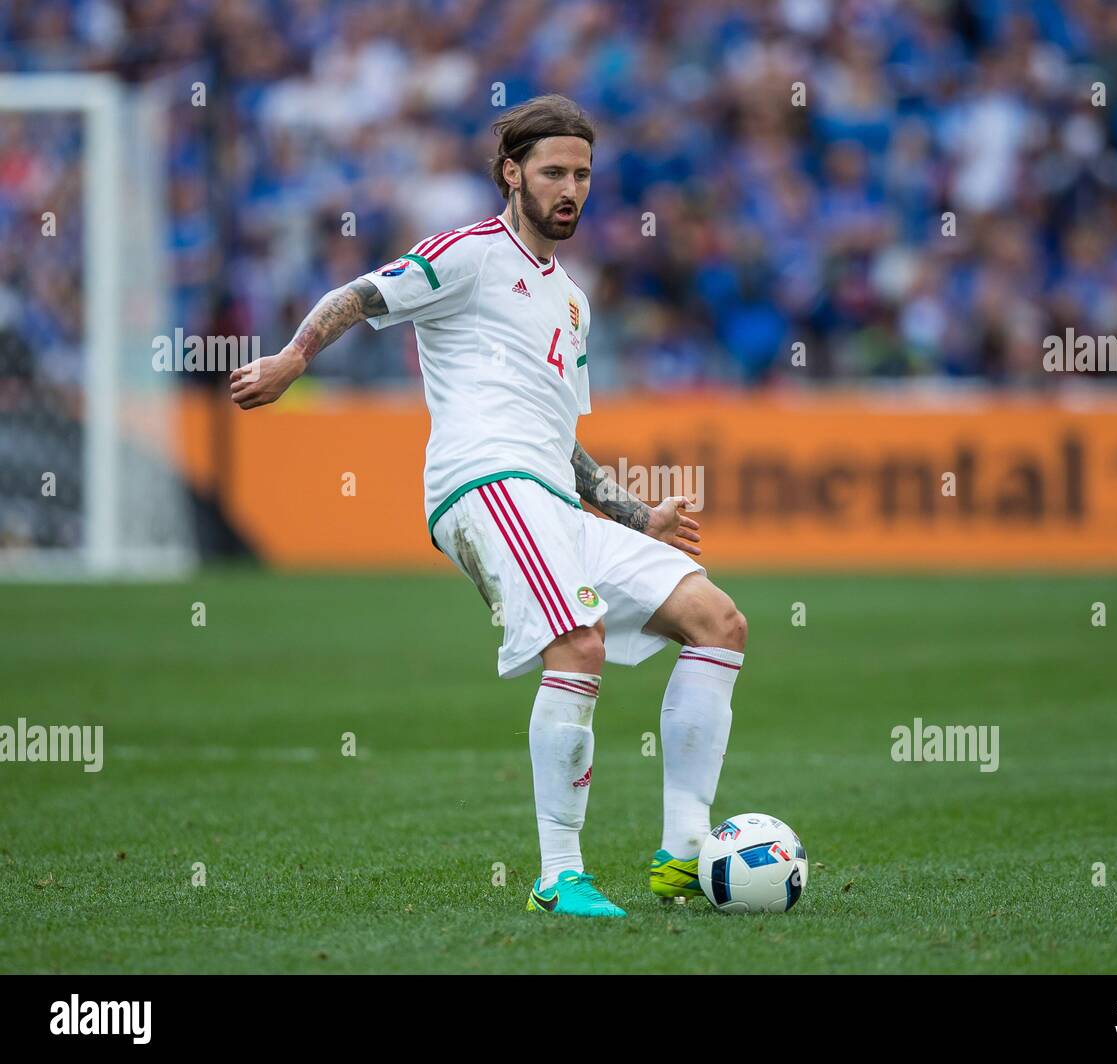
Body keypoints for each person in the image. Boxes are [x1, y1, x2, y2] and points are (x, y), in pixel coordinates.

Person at [229, 94, 747, 918]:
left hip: (549, 492)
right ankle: (557, 874)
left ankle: (684, 852)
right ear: (512, 174)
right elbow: (361, 295)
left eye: (581, 173)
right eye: (552, 172)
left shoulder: (572, 300)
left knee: (717, 619)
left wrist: (634, 513)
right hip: (484, 484)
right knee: (575, 644)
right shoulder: (469, 254)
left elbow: (560, 438)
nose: (570, 188)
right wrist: (295, 357)